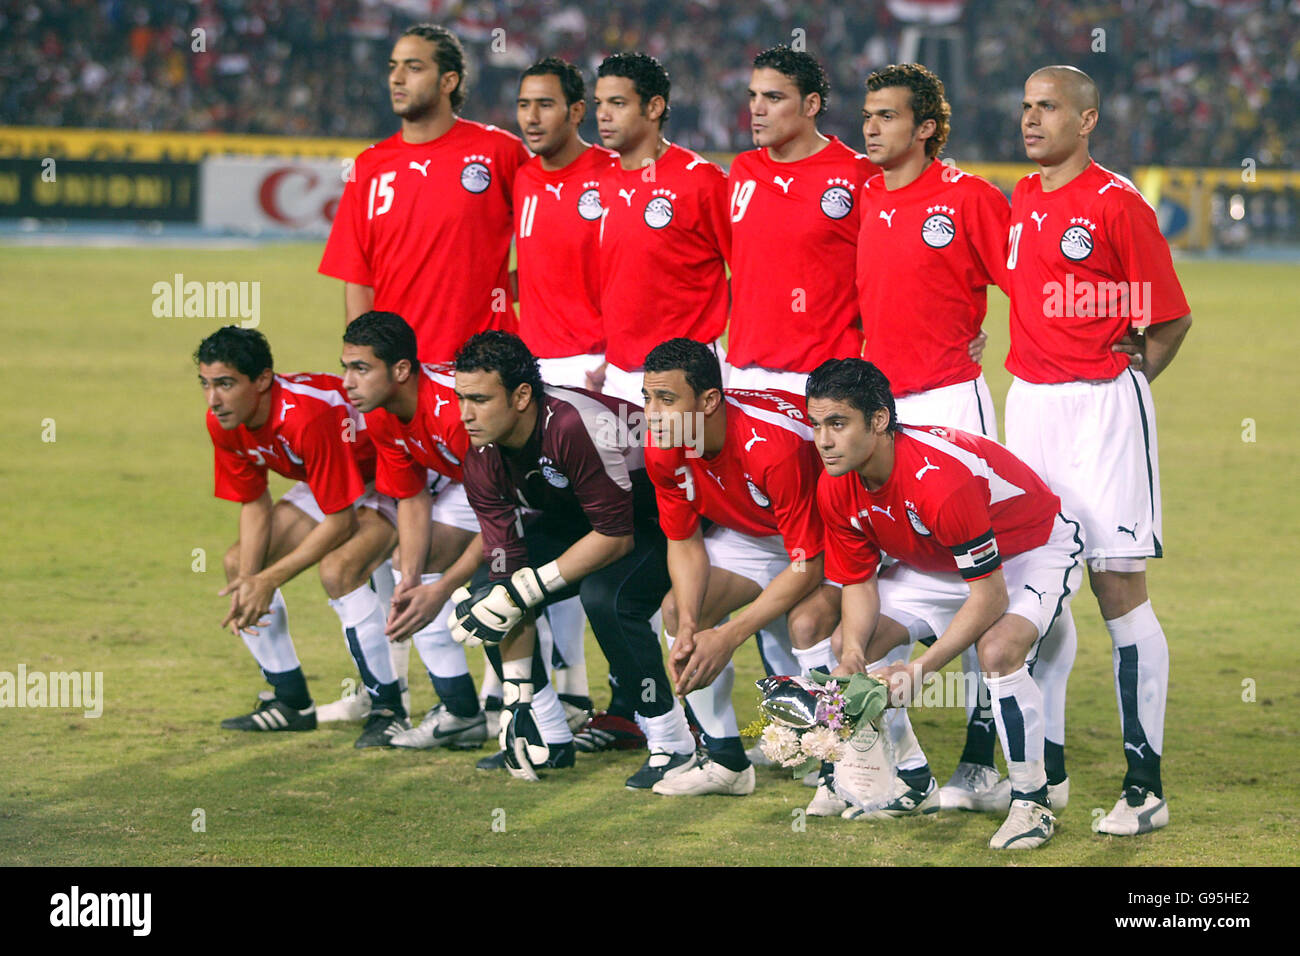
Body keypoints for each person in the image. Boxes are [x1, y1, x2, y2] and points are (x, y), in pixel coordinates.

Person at [1005, 65, 1192, 835]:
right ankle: (1045, 772)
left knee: (1118, 588)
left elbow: (1170, 317)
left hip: (1103, 412)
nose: (1031, 119)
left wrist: (1127, 376)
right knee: (1039, 594)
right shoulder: (1021, 196)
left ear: (1086, 121)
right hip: (1031, 409)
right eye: (1025, 107)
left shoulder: (1119, 205)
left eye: (1047, 107)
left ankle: (1144, 787)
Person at [808, 359, 1084, 850]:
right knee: (850, 642)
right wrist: (852, 652)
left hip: (1028, 550)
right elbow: (858, 581)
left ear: (878, 421)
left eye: (837, 423)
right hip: (940, 560)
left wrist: (922, 670)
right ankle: (913, 783)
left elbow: (990, 596)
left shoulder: (940, 481)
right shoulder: (836, 483)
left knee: (998, 652)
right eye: (817, 425)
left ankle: (1032, 802)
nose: (824, 441)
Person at [856, 62, 1018, 812]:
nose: (872, 127)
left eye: (887, 116)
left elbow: (1031, 278)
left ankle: (984, 762)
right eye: (868, 115)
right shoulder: (856, 193)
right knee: (895, 574)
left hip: (952, 399)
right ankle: (882, 752)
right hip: (880, 407)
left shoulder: (969, 198)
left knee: (976, 573)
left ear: (926, 126)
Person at [449, 331, 697, 787]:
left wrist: (527, 588)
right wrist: (514, 698)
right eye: (461, 398)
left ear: (522, 395)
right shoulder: (481, 451)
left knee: (608, 598)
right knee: (489, 596)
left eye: (480, 399)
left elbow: (616, 537)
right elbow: (507, 566)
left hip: (657, 516)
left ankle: (672, 742)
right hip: (588, 521)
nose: (466, 414)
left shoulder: (572, 425)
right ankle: (543, 733)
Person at [640, 338, 840, 797]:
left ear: (709, 400)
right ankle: (727, 760)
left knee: (803, 624)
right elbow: (684, 541)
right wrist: (692, 625)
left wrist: (729, 637)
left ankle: (833, 749)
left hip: (829, 532)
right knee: (675, 614)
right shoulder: (664, 443)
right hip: (755, 531)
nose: (651, 413)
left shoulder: (774, 448)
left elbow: (805, 563)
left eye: (666, 399)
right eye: (647, 398)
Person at [196, 326, 411, 748]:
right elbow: (255, 502)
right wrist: (252, 577)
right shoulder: (224, 421)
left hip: (389, 468)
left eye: (225, 384)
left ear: (262, 380)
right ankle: (291, 703)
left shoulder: (306, 416)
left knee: (339, 570)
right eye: (205, 384)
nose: (213, 399)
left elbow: (340, 523)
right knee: (240, 566)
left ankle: (389, 709)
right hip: (332, 476)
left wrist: (268, 580)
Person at [318, 23, 528, 361]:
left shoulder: (499, 152)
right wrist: (361, 362)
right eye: (393, 67)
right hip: (399, 371)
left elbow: (554, 242)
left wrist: (501, 291)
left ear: (449, 81)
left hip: (486, 370)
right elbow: (359, 279)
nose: (397, 78)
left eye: (414, 67)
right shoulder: (370, 165)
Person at [512, 56, 618, 729]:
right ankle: (571, 692)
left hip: (600, 376)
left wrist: (615, 357)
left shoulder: (611, 177)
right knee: (548, 538)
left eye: (545, 104)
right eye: (523, 104)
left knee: (606, 538)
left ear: (578, 112)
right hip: (536, 373)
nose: (531, 117)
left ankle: (653, 705)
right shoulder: (518, 177)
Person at [338, 311, 488, 750]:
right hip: (473, 485)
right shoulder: (383, 414)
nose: (347, 381)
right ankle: (461, 712)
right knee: (410, 568)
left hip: (533, 486)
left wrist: (442, 587)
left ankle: (542, 708)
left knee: (509, 585)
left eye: (360, 368)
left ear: (401, 370)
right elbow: (412, 496)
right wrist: (409, 581)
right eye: (346, 367)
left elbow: (508, 507)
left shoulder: (454, 410)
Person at [726, 45, 877, 395]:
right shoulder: (743, 169)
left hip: (826, 378)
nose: (757, 109)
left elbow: (892, 271)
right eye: (753, 96)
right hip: (745, 372)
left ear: (810, 105)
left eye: (773, 97)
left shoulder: (859, 175)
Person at [593, 52, 731, 404]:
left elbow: (752, 271)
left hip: (685, 376)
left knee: (688, 460)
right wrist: (611, 359)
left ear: (654, 107)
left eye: (618, 103)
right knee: (625, 461)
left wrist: (700, 333)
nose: (603, 115)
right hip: (619, 374)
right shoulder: (604, 182)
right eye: (599, 103)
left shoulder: (701, 181)